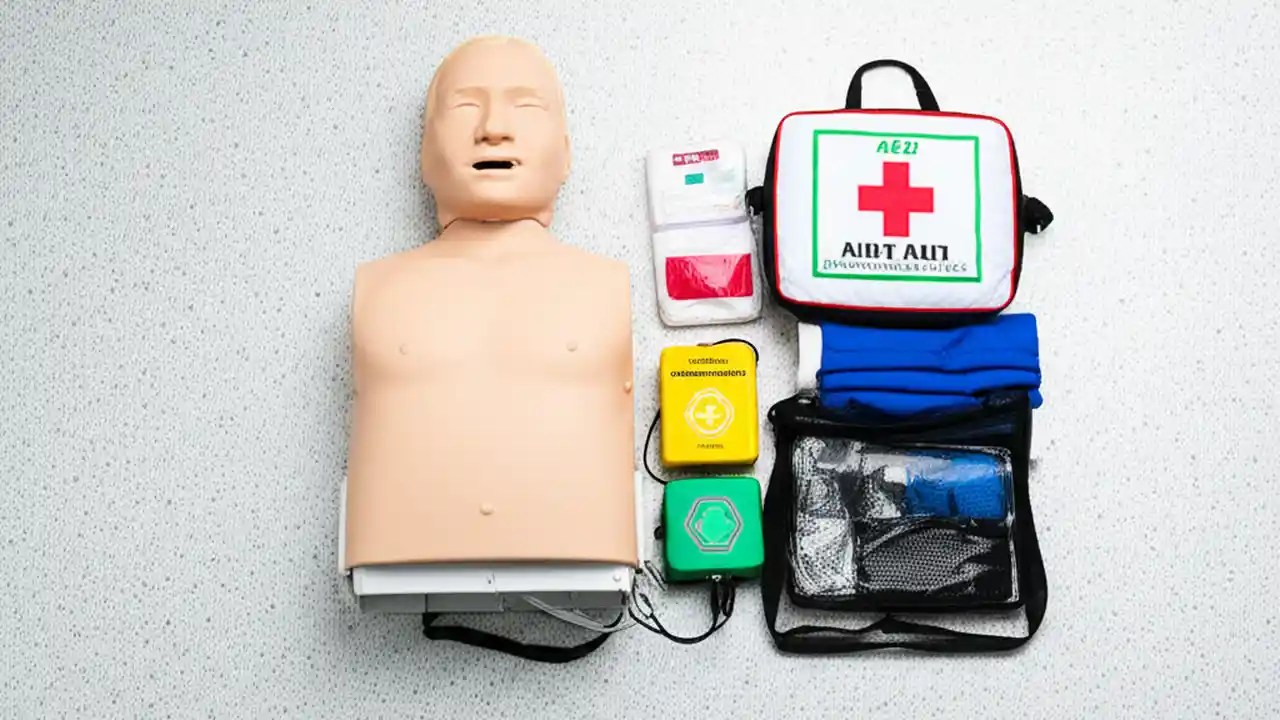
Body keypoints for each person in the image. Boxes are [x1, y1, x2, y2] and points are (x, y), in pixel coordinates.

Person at [343, 36, 638, 569]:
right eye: (464, 106)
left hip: (588, 554)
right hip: (394, 560)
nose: (493, 127)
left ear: (567, 152)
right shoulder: (377, 286)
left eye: (525, 105)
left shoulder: (608, 282)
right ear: (424, 154)